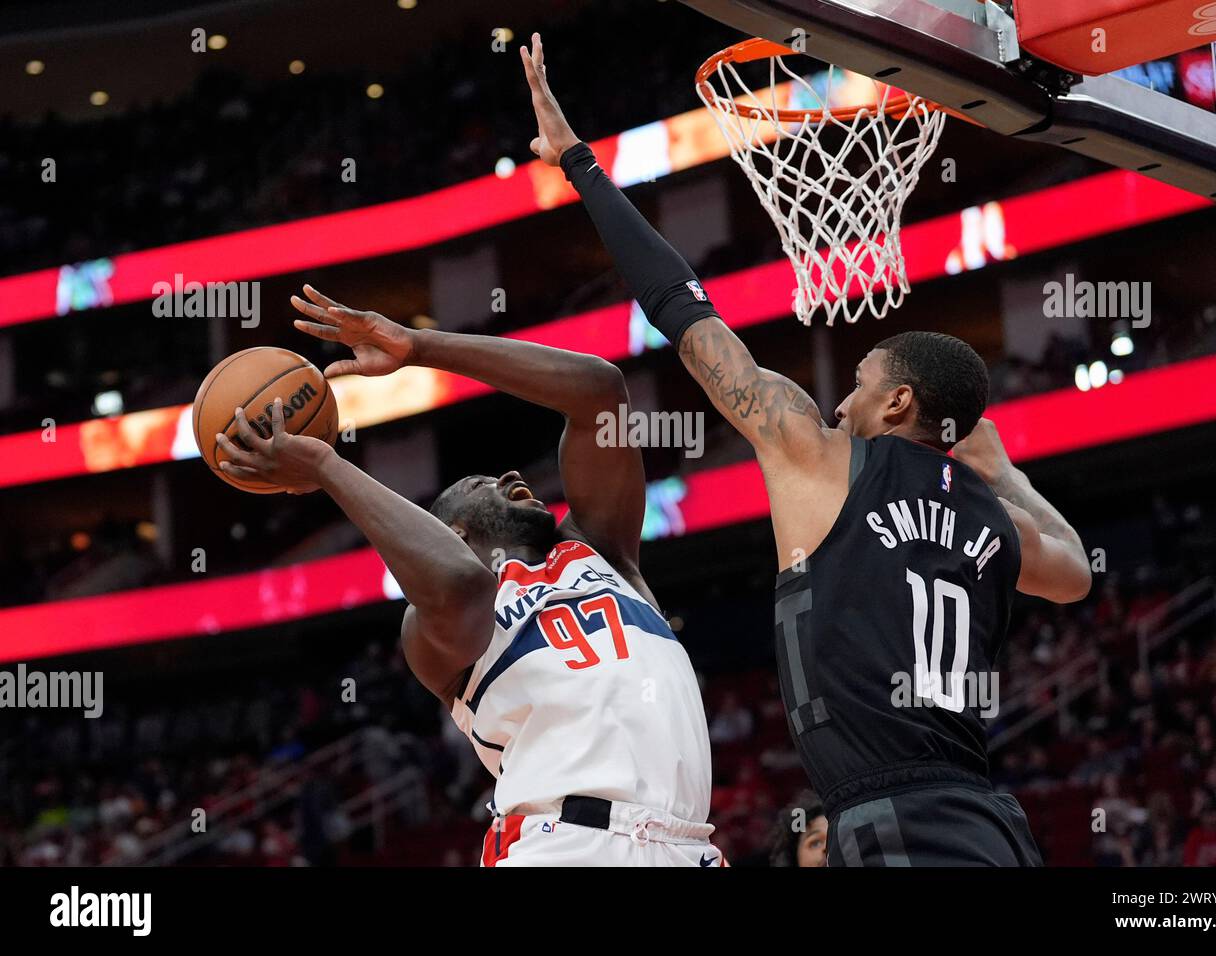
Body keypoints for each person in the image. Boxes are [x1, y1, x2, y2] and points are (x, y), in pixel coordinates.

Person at [520, 33, 1091, 866]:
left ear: (898, 401)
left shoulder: (819, 453)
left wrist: (579, 162)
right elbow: (1075, 570)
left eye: (860, 380)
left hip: (891, 816)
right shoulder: (999, 521)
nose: (841, 396)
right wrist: (1004, 472)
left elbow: (679, 306)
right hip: (988, 820)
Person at [218, 285, 720, 867]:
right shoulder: (433, 633)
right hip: (570, 845)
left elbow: (600, 393)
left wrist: (419, 346)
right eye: (481, 485)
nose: (509, 473)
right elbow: (459, 585)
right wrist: (328, 465)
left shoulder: (604, 552)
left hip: (689, 848)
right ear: (454, 535)